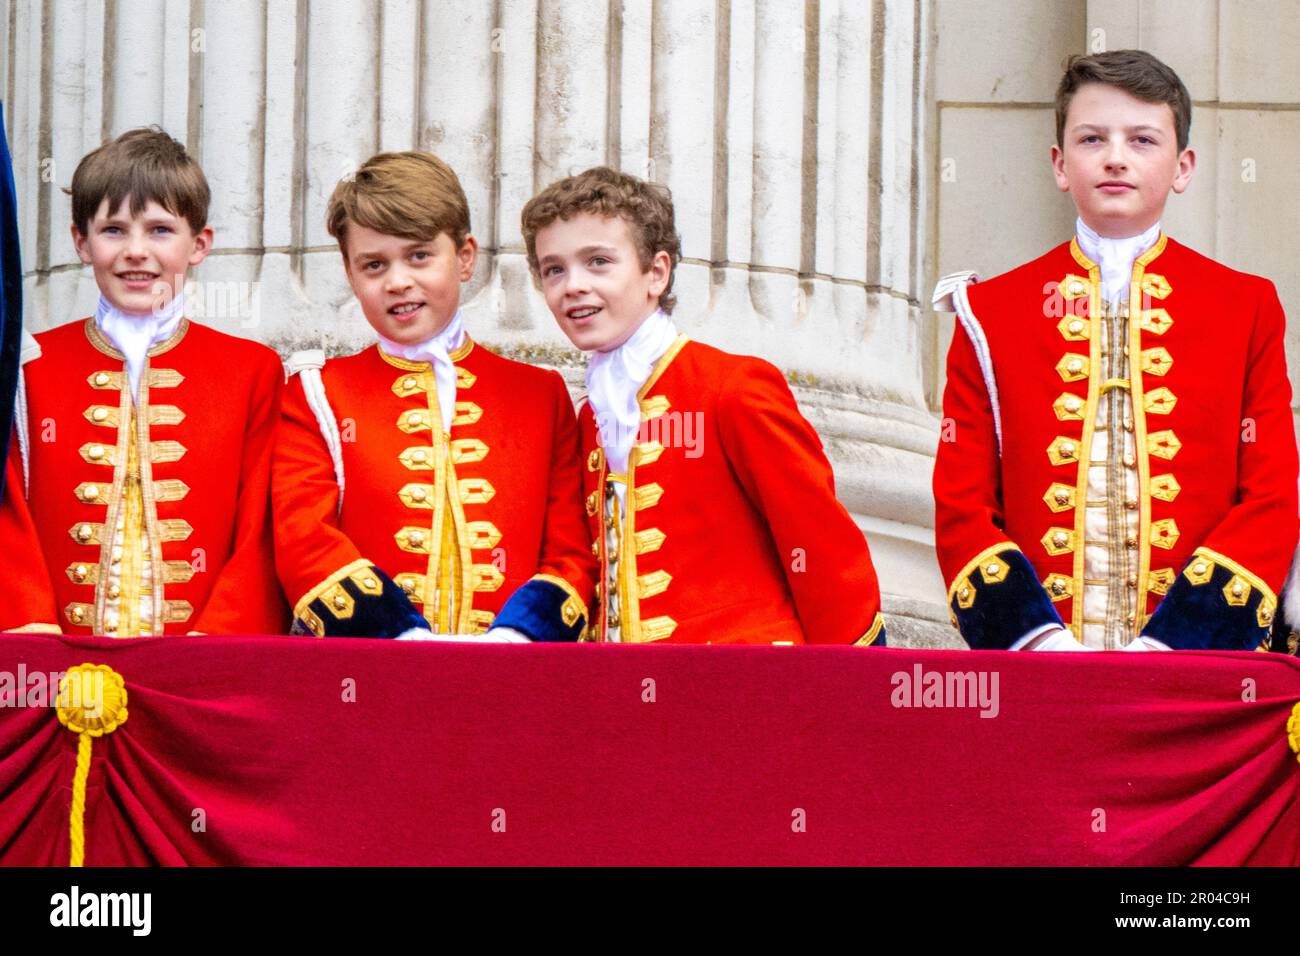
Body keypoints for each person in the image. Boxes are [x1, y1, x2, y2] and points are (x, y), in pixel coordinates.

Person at [933, 50, 1298, 652]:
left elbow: (1272, 496)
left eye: (1143, 140)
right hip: (1039, 670)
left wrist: (1175, 643)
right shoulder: (988, 313)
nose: (1116, 157)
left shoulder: (1246, 306)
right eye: (1092, 138)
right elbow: (961, 502)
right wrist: (1037, 640)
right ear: (1059, 164)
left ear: (1183, 167)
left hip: (1198, 669)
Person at [520, 166, 886, 645]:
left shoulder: (732, 386)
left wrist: (848, 698)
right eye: (554, 269)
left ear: (656, 273)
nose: (573, 285)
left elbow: (824, 554)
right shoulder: (589, 416)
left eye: (598, 262)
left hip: (746, 691)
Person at [272, 151, 596, 640]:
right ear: (350, 273)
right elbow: (305, 539)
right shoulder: (318, 393)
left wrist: (518, 637)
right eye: (374, 264)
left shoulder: (540, 394)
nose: (398, 281)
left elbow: (571, 550)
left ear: (465, 257)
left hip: (515, 677)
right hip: (365, 675)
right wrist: (401, 639)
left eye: (419, 255)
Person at [0, 126, 286, 635]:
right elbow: (7, 511)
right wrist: (31, 626)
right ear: (80, 242)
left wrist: (222, 637)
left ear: (199, 244)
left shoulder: (252, 370)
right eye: (113, 230)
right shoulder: (28, 365)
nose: (136, 251)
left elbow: (259, 530)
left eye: (159, 230)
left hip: (201, 665)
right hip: (55, 663)